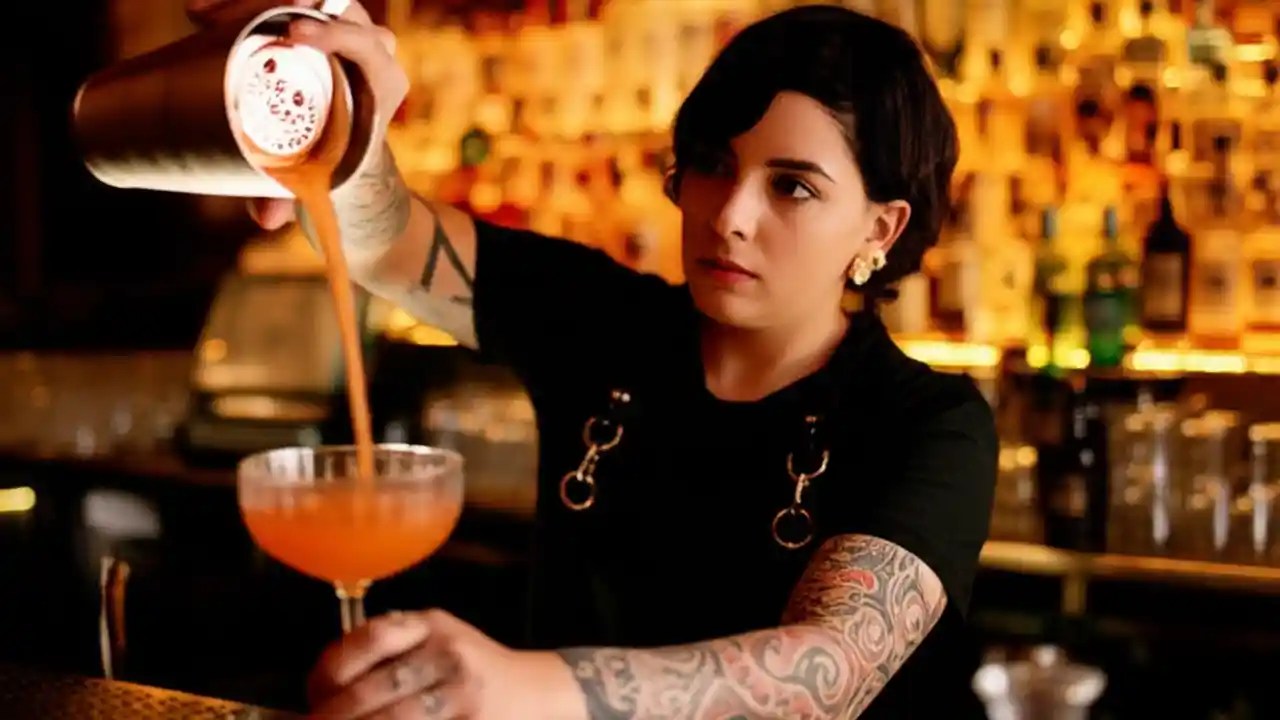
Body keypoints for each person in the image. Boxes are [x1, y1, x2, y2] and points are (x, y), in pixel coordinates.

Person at [192, 0, 997, 717]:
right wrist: (334, 106)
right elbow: (381, 237)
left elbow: (827, 672)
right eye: (715, 165)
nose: (730, 217)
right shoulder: (603, 321)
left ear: (880, 229)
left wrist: (525, 690)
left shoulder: (930, 425)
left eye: (792, 187)